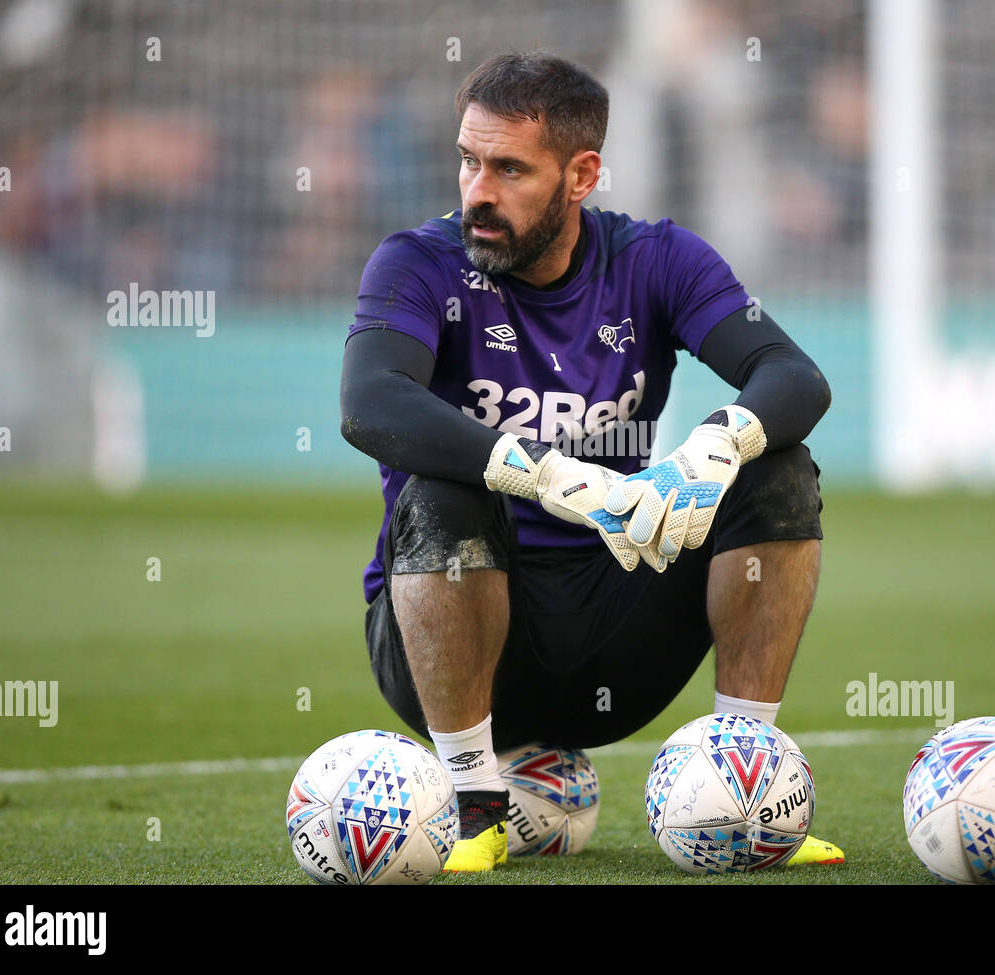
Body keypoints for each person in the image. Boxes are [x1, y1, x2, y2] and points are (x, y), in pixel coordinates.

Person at [340, 51, 839, 873]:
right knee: (443, 487)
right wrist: (545, 474)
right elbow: (371, 403)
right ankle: (473, 808)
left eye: (509, 168)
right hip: (453, 648)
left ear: (582, 175)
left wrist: (715, 445)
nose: (477, 192)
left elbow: (792, 376)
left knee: (776, 468)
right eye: (468, 161)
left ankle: (749, 788)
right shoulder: (418, 262)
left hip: (619, 632)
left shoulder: (656, 259)